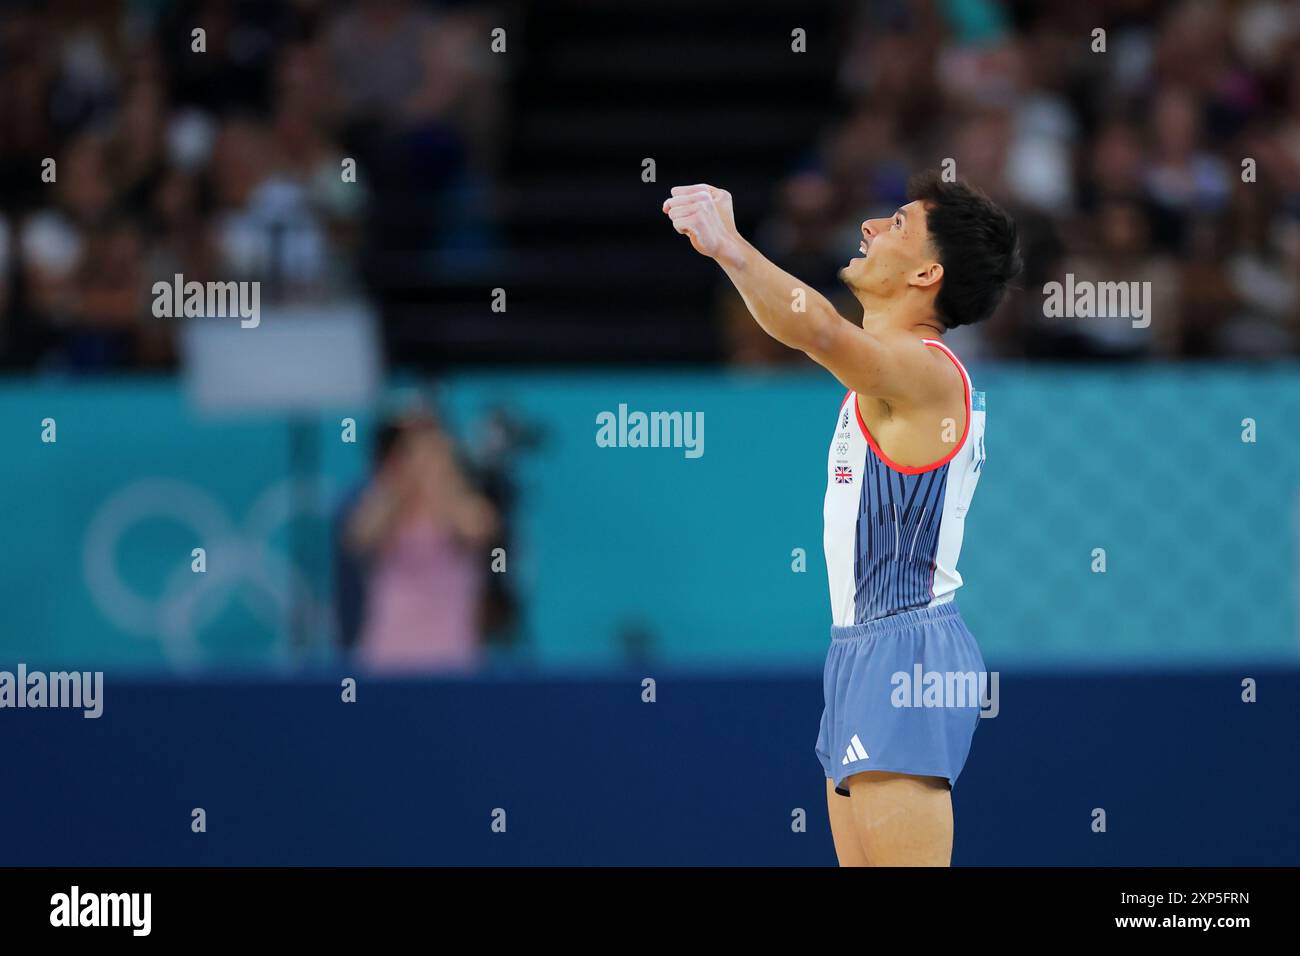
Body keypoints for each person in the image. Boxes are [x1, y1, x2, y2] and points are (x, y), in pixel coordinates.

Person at [663, 172, 1020, 866]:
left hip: (907, 653)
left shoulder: (929, 373)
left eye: (896, 224)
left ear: (926, 272)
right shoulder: (888, 378)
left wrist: (731, 247)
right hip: (858, 651)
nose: (869, 227)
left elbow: (818, 328)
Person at [342, 412, 497, 673]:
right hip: (388, 649)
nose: (422, 460)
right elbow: (358, 539)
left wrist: (438, 480)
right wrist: (399, 485)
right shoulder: (384, 504)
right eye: (412, 452)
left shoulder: (471, 508)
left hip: (451, 651)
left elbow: (476, 533)